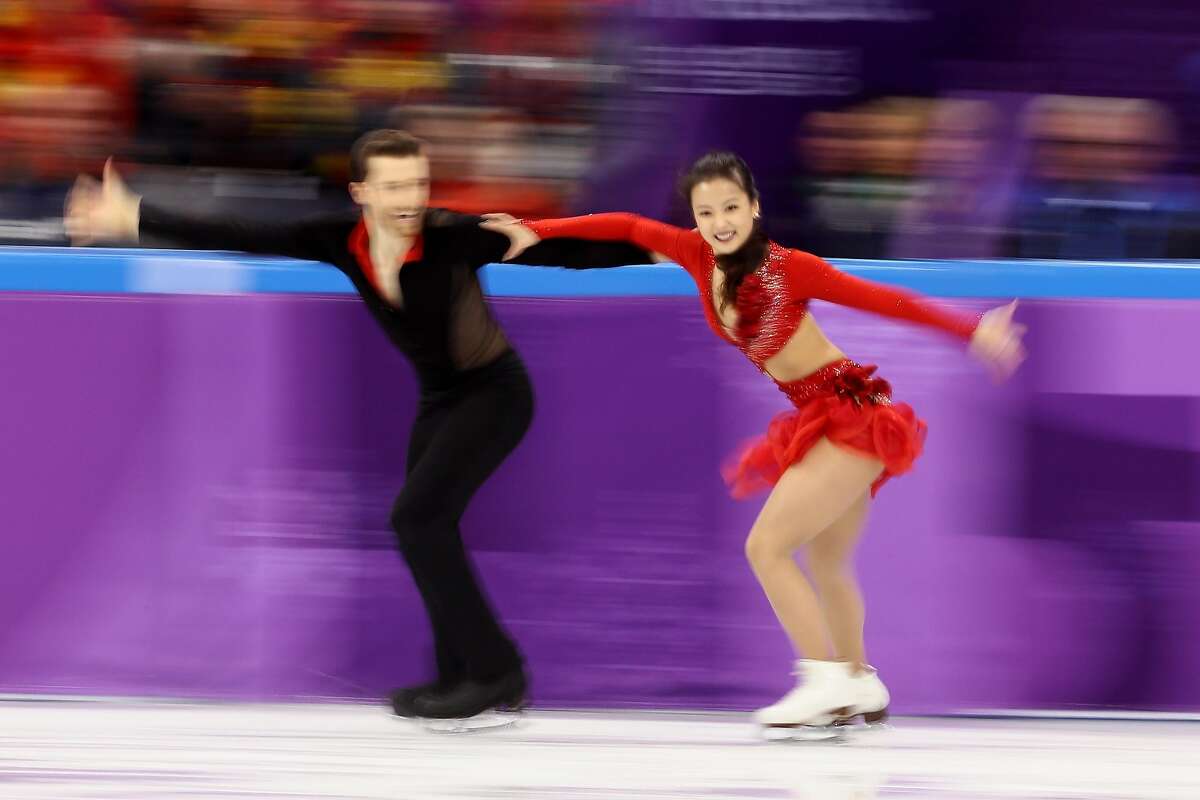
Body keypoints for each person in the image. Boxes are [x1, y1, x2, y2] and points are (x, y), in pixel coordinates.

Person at [63, 129, 652, 722]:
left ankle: (499, 672)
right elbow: (240, 232)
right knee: (427, 527)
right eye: (394, 186)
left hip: (496, 395)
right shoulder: (339, 241)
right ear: (360, 192)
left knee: (417, 519)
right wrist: (133, 214)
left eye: (419, 183)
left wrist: (676, 246)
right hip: (440, 400)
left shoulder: (452, 236)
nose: (410, 199)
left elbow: (567, 247)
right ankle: (456, 675)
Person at [483, 151, 1025, 730]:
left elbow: (882, 299)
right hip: (822, 414)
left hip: (854, 415)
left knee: (766, 548)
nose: (720, 222)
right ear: (694, 217)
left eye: (732, 208)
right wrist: (536, 230)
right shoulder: (694, 253)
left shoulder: (790, 267)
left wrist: (971, 329)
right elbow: (623, 225)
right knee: (828, 559)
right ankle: (859, 680)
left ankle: (821, 678)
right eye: (707, 211)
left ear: (755, 207)